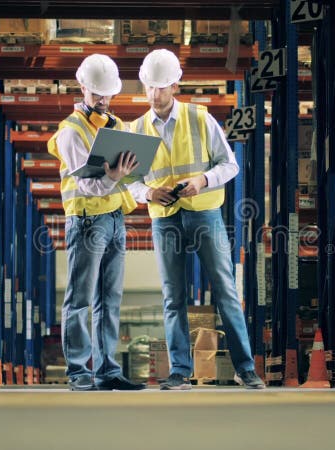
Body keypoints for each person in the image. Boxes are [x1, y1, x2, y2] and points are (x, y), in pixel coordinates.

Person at [127, 49, 265, 390]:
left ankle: (245, 368)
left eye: (161, 87)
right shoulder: (137, 129)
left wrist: (202, 180)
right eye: (149, 87)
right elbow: (128, 182)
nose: (155, 94)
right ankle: (179, 371)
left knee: (225, 290)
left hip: (203, 211)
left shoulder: (199, 119)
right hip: (165, 217)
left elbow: (229, 164)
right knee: (173, 296)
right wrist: (148, 193)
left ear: (176, 85)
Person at [47, 54, 145, 391]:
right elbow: (87, 184)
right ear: (83, 88)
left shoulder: (115, 126)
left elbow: (126, 178)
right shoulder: (70, 131)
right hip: (88, 223)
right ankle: (78, 372)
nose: (103, 101)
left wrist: (138, 181)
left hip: (116, 219)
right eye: (97, 95)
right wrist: (113, 176)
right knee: (80, 300)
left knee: (110, 300)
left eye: (108, 95)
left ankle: (107, 371)